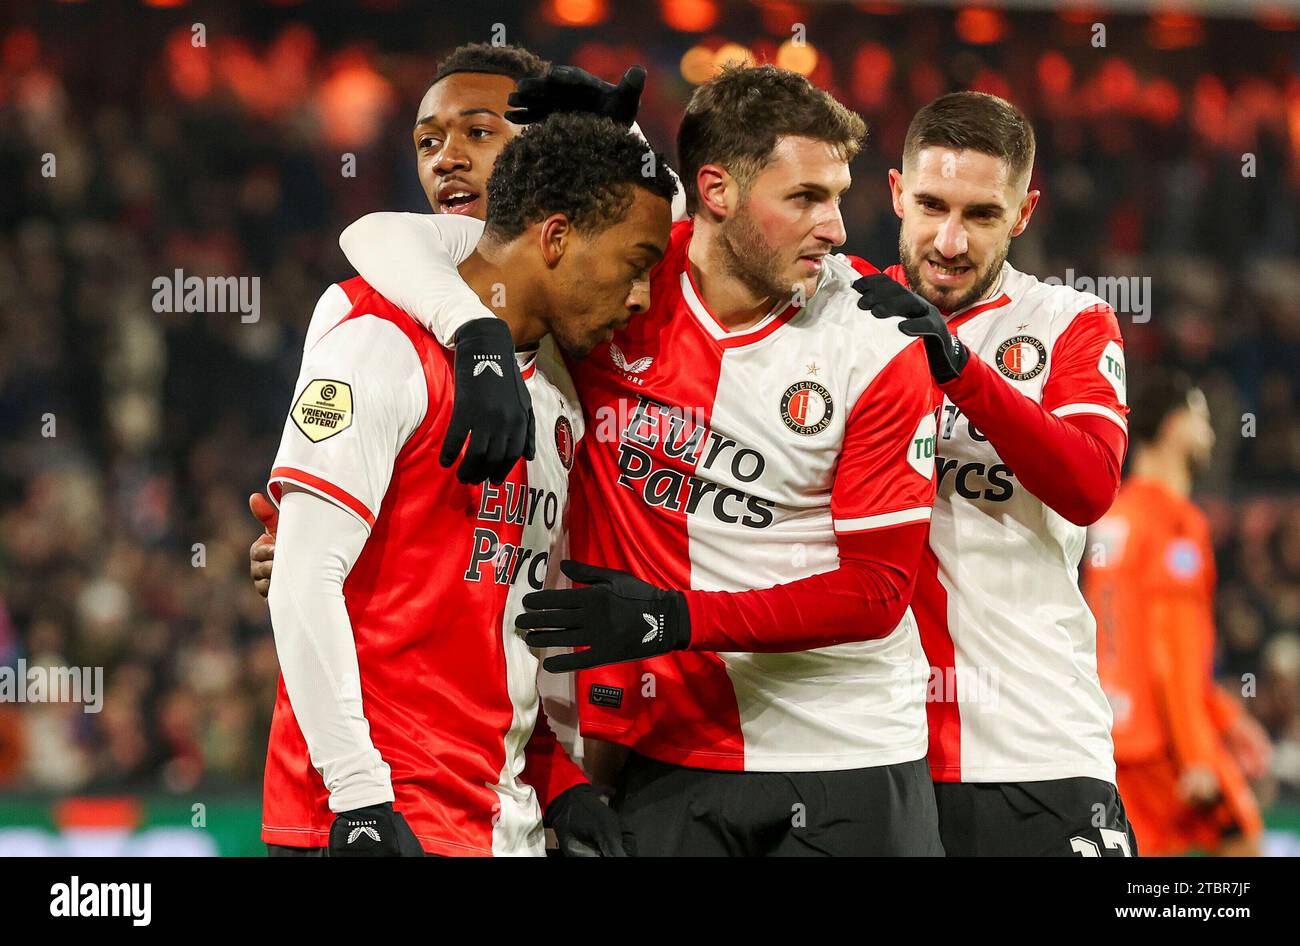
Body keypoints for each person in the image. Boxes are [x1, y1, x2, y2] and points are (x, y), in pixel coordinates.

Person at [337, 64, 946, 856]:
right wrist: (473, 330)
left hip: (850, 761)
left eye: (836, 196)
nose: (836, 227)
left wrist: (670, 618)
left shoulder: (874, 340)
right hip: (665, 763)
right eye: (805, 198)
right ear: (718, 191)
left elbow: (877, 591)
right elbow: (381, 237)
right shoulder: (620, 284)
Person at [261, 113, 674, 856]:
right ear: (555, 239)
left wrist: (555, 775)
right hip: (387, 814)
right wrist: (358, 799)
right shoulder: (375, 339)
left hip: (499, 816)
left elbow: (498, 619)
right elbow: (300, 580)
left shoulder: (559, 394)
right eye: (634, 262)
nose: (641, 295)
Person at [851, 91, 1137, 856]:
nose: (948, 240)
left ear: (1024, 212)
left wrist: (960, 369)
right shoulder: (838, 321)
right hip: (875, 755)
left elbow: (1088, 485)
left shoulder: (1069, 321)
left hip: (1038, 750)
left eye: (981, 214)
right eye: (931, 205)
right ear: (894, 194)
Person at [1086, 369, 1270, 856]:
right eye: (1202, 418)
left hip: (1114, 732)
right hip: (1164, 740)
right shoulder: (1176, 521)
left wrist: (1227, 719)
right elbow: (1172, 648)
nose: (1210, 434)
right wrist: (1196, 752)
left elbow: (1125, 634)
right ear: (1172, 425)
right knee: (1244, 843)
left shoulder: (1112, 517)